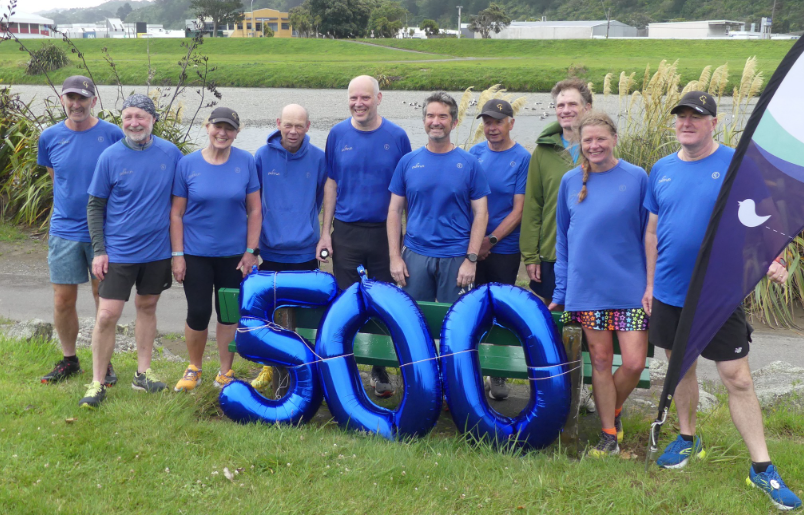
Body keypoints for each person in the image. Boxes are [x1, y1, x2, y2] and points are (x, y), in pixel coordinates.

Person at [643, 91, 800, 510]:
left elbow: (766, 217)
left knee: (739, 378)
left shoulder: (736, 164)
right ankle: (688, 437)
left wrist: (774, 259)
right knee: (681, 367)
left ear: (714, 122)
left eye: (697, 117)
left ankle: (761, 467)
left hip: (718, 292)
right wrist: (649, 285)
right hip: (671, 292)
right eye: (681, 116)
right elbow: (653, 233)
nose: (687, 123)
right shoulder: (661, 169)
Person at [548, 111, 649, 457]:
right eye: (587, 140)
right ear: (579, 142)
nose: (594, 145)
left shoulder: (637, 178)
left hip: (630, 290)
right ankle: (608, 435)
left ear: (614, 139)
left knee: (634, 363)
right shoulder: (569, 182)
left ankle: (613, 408)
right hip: (587, 291)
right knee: (601, 363)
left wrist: (651, 284)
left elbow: (649, 235)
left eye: (601, 139)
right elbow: (562, 242)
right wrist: (561, 292)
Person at [78, 94, 183, 409]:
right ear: (122, 120)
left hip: (157, 251)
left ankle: (143, 373)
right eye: (128, 117)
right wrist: (99, 250)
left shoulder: (171, 153)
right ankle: (97, 382)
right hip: (119, 252)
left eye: (140, 116)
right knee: (107, 314)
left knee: (147, 306)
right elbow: (95, 205)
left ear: (153, 120)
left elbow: (182, 202)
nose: (134, 123)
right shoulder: (110, 156)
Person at [316, 75, 411, 398]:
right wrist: (325, 233)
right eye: (353, 98)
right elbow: (331, 184)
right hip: (346, 232)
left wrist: (404, 239)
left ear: (379, 98)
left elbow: (407, 190)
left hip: (386, 234)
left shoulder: (397, 137)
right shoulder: (338, 134)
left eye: (365, 98)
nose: (359, 103)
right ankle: (345, 369)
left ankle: (380, 368)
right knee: (348, 303)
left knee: (383, 303)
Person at [37, 76, 123, 385]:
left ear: (94, 101)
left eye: (82, 98)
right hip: (64, 231)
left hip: (104, 232)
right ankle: (69, 359)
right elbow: (56, 177)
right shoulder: (49, 137)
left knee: (104, 297)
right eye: (71, 98)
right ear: (62, 100)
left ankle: (105, 360)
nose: (77, 104)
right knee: (62, 299)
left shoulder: (112, 134)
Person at [170, 107, 261, 392]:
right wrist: (177, 255)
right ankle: (194, 367)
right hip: (195, 254)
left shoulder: (246, 162)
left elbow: (255, 210)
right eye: (217, 127)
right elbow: (176, 214)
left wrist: (251, 251)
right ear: (206, 127)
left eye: (229, 128)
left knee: (229, 315)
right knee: (197, 312)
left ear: (237, 131)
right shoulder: (187, 164)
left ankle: (225, 371)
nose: (223, 133)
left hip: (234, 257)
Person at [249, 104, 327, 392]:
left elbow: (319, 198)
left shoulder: (319, 158)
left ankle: (300, 368)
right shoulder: (261, 156)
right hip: (270, 251)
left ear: (308, 126)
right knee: (270, 315)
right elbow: (254, 204)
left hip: (305, 251)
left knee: (303, 314)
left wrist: (306, 226)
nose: (293, 131)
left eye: (299, 126)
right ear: (278, 123)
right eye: (288, 125)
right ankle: (270, 365)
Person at [388, 91, 489, 305]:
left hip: (456, 256)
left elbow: (481, 213)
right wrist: (395, 257)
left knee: (455, 320)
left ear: (454, 122)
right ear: (424, 120)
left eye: (443, 116)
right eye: (430, 116)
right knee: (414, 319)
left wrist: (471, 259)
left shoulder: (470, 164)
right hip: (415, 255)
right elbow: (394, 211)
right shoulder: (407, 162)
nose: (436, 122)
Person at [468, 98, 529, 401]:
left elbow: (518, 210)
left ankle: (499, 372)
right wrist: (472, 243)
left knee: (500, 310)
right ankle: (473, 371)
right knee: (474, 309)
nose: (492, 128)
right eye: (487, 122)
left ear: (510, 124)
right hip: (472, 247)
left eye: (498, 122)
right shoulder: (475, 153)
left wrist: (489, 241)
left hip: (503, 248)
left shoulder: (522, 158)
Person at [520, 78, 592, 305]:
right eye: (560, 105)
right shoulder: (542, 152)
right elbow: (533, 205)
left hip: (591, 252)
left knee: (589, 321)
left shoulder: (600, 146)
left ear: (587, 108)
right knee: (554, 317)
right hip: (552, 253)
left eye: (572, 104)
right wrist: (531, 256)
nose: (566, 110)